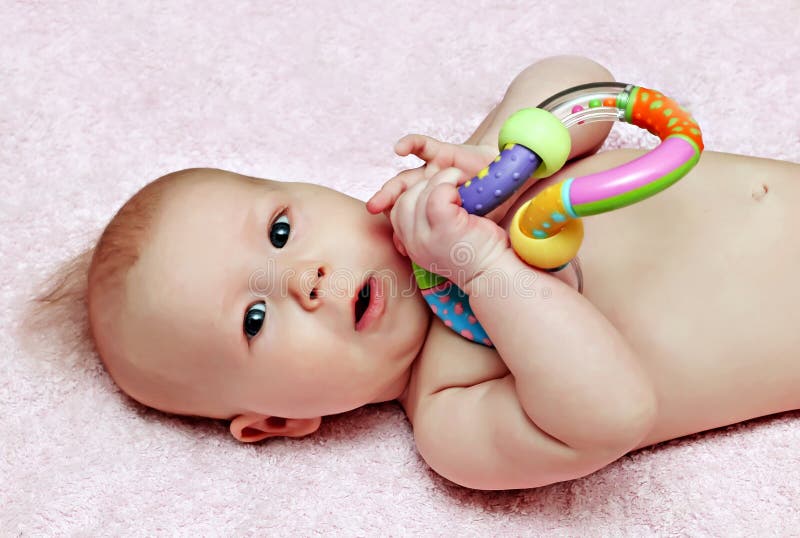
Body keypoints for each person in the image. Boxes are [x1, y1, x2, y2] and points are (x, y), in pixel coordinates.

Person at [33, 55, 800, 490]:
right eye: (255, 319)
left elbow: (578, 81)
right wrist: (480, 265)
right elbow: (612, 413)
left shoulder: (472, 186)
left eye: (279, 231)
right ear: (279, 421)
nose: (301, 279)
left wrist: (508, 155)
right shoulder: (455, 416)